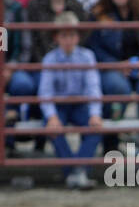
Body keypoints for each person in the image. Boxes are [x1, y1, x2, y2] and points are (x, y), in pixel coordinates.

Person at [38, 11, 102, 188]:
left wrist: (95, 114)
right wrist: (52, 116)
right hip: (60, 106)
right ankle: (78, 171)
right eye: (64, 35)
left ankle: (74, 172)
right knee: (52, 127)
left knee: (95, 127)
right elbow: (45, 92)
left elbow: (93, 87)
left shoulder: (87, 56)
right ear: (57, 37)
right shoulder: (50, 59)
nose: (68, 40)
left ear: (78, 37)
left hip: (80, 104)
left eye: (72, 35)